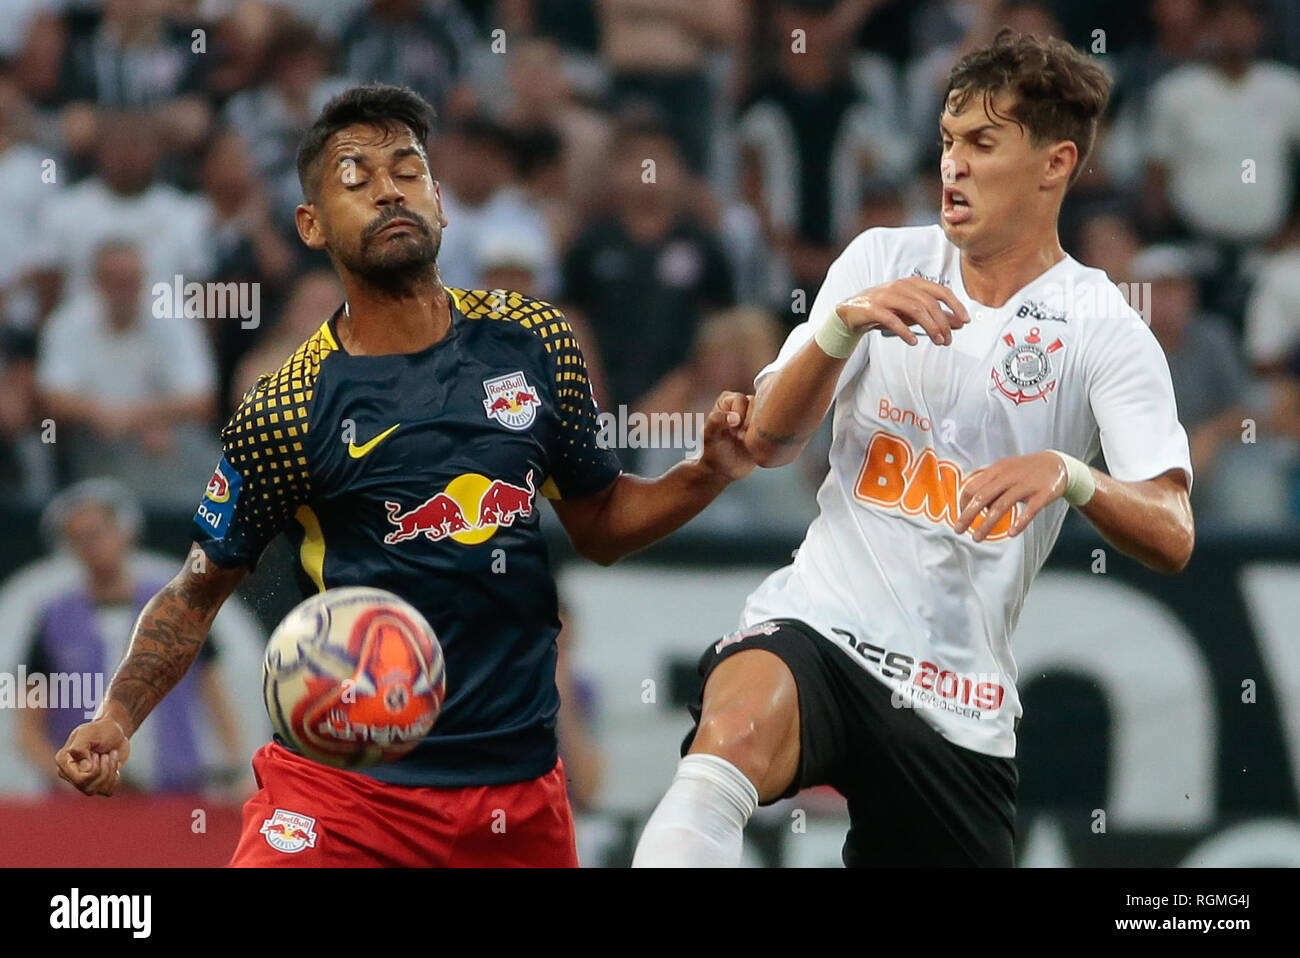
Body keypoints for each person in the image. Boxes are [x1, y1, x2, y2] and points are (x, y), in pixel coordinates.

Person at [53, 84, 755, 868]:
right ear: (311, 225)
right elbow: (196, 589)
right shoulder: (286, 408)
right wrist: (115, 716)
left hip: (514, 794)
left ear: (441, 202)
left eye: (408, 169)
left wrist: (706, 474)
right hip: (341, 798)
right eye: (355, 178)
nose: (388, 188)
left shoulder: (534, 341)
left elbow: (600, 524)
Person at [633, 29, 1195, 868]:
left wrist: (1072, 475)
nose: (952, 165)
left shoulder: (1103, 326)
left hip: (957, 697)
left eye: (981, 143)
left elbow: (1174, 529)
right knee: (732, 736)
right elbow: (769, 442)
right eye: (945, 142)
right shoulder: (881, 259)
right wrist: (840, 324)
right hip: (823, 623)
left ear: (1055, 163)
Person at [17, 479, 244, 795]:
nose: (91, 545)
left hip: (176, 791)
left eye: (98, 532)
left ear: (126, 531)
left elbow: (214, 694)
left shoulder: (174, 606)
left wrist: (233, 765)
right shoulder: (52, 619)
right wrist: (64, 779)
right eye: (77, 538)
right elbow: (28, 726)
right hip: (85, 799)